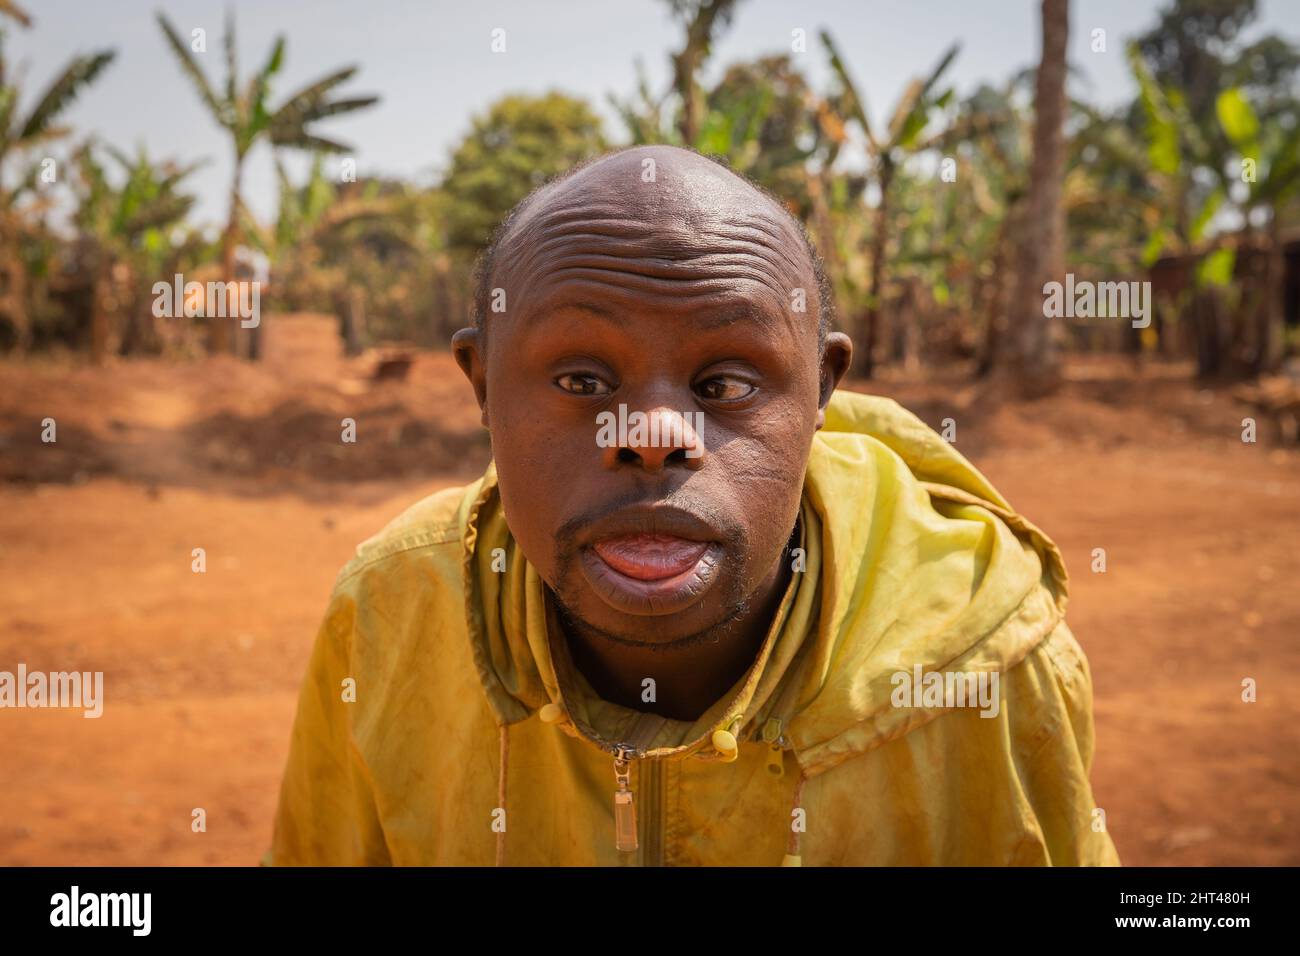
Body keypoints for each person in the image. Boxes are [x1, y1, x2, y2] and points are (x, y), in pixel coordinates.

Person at [265, 145, 1120, 866]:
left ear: (819, 390)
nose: (652, 434)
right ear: (482, 386)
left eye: (726, 383)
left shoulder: (987, 663)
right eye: (581, 381)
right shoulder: (389, 616)